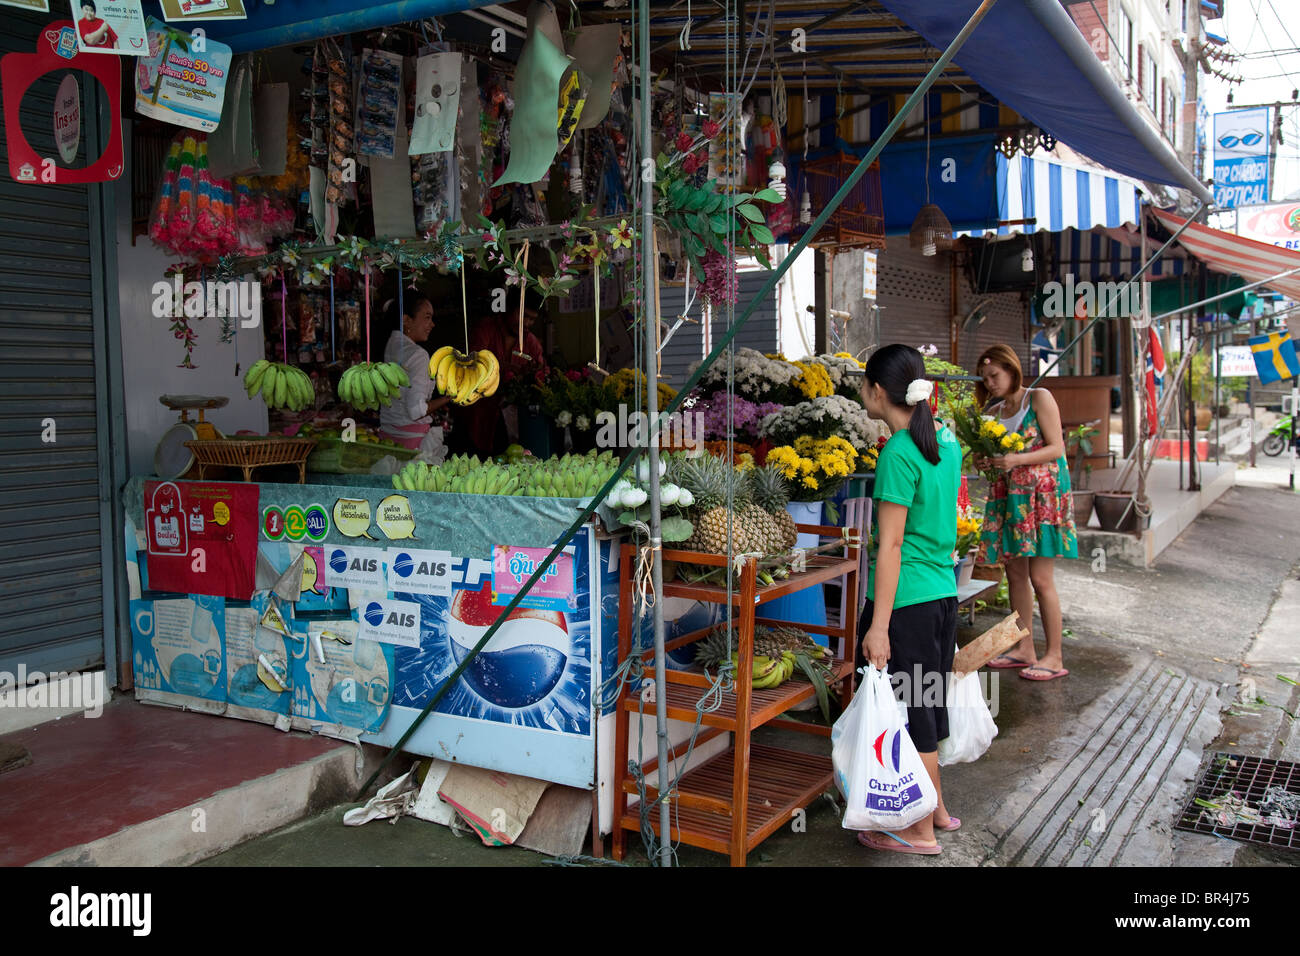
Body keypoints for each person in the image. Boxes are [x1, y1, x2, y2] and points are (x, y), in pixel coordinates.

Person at [856, 344, 961, 856]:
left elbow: (892, 546)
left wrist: (878, 626)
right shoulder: (945, 440)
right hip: (943, 594)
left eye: (863, 385)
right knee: (928, 704)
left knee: (912, 711)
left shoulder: (898, 453)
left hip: (907, 603)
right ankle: (936, 810)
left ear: (878, 391)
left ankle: (918, 832)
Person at [973, 344, 1077, 682]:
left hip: (1042, 499)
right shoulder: (996, 412)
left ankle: (1055, 655)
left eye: (995, 375)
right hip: (1010, 499)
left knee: (1041, 579)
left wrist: (1014, 460)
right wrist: (986, 462)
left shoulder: (1039, 397)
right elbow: (996, 461)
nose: (990, 383)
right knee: (1015, 576)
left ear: (1011, 369)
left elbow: (1057, 447)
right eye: (985, 378)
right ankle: (1024, 648)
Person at [376, 294, 453, 451]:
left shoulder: (391, 345)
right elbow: (417, 411)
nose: (432, 324)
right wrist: (449, 398)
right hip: (412, 446)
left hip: (387, 438)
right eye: (427, 317)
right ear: (406, 320)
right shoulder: (418, 355)